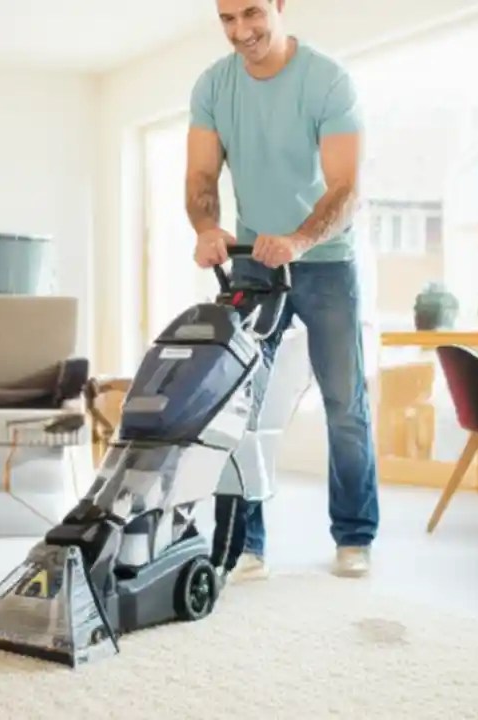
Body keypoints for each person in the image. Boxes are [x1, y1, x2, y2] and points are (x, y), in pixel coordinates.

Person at [185, 0, 378, 580]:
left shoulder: (326, 80)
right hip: (252, 262)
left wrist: (298, 240)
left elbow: (346, 187)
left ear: (280, 5)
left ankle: (354, 536)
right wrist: (207, 227)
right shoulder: (214, 86)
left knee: (344, 405)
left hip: (325, 261)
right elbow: (200, 175)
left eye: (251, 14)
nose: (241, 31)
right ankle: (245, 544)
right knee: (235, 401)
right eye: (226, 19)